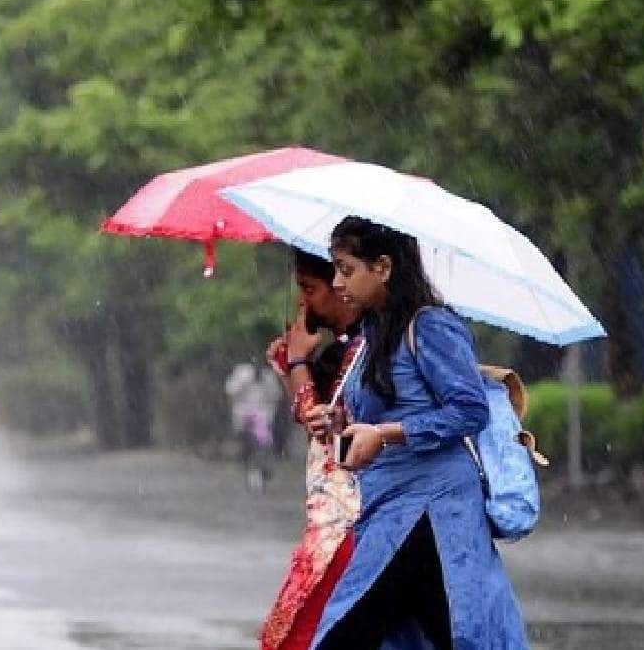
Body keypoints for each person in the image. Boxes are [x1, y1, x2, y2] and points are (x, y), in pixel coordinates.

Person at [311, 216, 529, 650]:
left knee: (343, 635)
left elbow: (469, 410)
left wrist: (388, 433)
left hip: (429, 516)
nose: (337, 281)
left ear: (384, 267)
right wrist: (340, 425)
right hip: (390, 509)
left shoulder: (429, 325)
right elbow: (382, 412)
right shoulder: (373, 336)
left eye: (347, 269)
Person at [259, 249, 363, 650]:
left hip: (350, 524)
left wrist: (299, 360)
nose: (304, 302)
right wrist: (294, 368)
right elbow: (315, 423)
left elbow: (325, 430)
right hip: (330, 523)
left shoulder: (366, 350)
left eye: (310, 289)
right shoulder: (344, 348)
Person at [224, 360, 283, 491]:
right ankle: (251, 470)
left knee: (262, 446)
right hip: (244, 415)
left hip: (263, 418)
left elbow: (276, 397)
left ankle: (261, 470)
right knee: (247, 447)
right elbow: (231, 392)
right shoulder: (242, 374)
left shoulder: (268, 377)